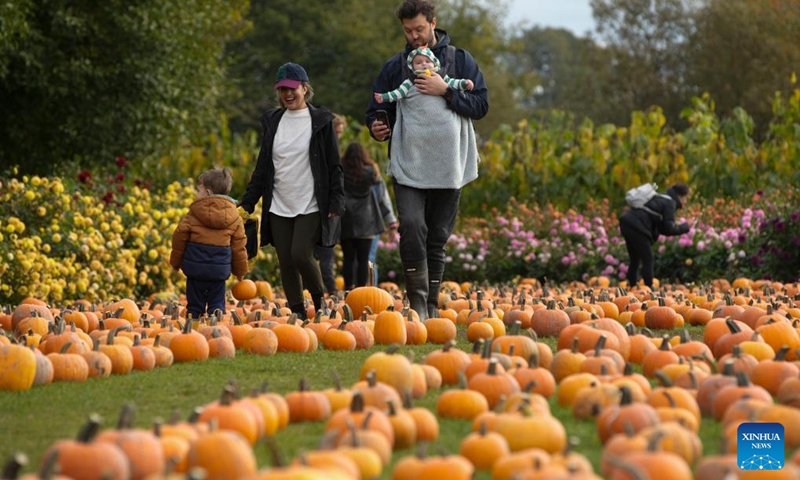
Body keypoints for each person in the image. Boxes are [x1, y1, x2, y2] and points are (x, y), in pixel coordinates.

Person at [365, 0, 488, 320]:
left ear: (433, 23)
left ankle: (431, 303)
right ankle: (418, 302)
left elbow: (480, 105)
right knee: (411, 225)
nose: (414, 36)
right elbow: (377, 110)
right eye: (408, 31)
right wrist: (377, 126)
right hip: (409, 162)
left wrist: (445, 90)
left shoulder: (460, 60)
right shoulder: (395, 67)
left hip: (450, 165)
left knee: (437, 235)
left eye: (419, 29)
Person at [239, 62, 344, 320]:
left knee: (300, 254)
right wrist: (248, 203)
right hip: (279, 203)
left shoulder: (321, 121)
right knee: (285, 259)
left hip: (311, 202)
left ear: (304, 88)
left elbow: (334, 165)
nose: (287, 94)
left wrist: (336, 200)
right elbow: (263, 167)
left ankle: (320, 303)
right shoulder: (273, 122)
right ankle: (298, 312)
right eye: (282, 89)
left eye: (292, 89)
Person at [170, 167, 249, 319]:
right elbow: (239, 247)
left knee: (194, 307)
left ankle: (193, 327)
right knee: (217, 305)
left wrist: (175, 263)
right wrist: (240, 272)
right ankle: (215, 328)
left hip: (195, 270)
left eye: (198, 191)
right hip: (218, 272)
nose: (196, 195)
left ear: (207, 192)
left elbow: (179, 239)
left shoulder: (193, 214)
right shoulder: (234, 217)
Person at [619, 182, 691, 289]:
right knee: (648, 257)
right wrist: (685, 226)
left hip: (626, 222)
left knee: (635, 257)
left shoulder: (660, 197)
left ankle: (632, 285)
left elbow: (661, 225)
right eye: (686, 198)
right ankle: (649, 287)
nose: (685, 202)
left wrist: (675, 225)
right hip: (637, 227)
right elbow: (668, 229)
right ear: (680, 196)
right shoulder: (670, 203)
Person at [340, 142, 386, 289]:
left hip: (346, 219)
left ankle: (348, 289)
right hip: (366, 220)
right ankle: (361, 290)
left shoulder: (341, 171)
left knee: (348, 259)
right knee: (363, 259)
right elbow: (379, 187)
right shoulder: (370, 171)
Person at [314, 113, 348, 296]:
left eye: (340, 133)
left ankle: (329, 288)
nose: (338, 136)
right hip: (320, 206)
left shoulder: (336, 152)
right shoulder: (321, 151)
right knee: (320, 252)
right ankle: (328, 288)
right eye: (336, 132)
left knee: (327, 251)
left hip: (331, 207)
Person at [373, 46, 474, 104]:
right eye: (418, 63)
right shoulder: (411, 80)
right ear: (412, 67)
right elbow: (399, 93)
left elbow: (453, 83)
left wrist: (464, 83)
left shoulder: (441, 75)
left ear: (434, 63)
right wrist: (384, 97)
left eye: (427, 61)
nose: (424, 64)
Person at [369, 176, 399, 285]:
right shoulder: (375, 176)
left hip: (356, 224)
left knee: (359, 259)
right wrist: (392, 223)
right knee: (370, 258)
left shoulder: (346, 173)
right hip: (373, 222)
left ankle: (362, 289)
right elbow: (385, 201)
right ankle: (370, 288)